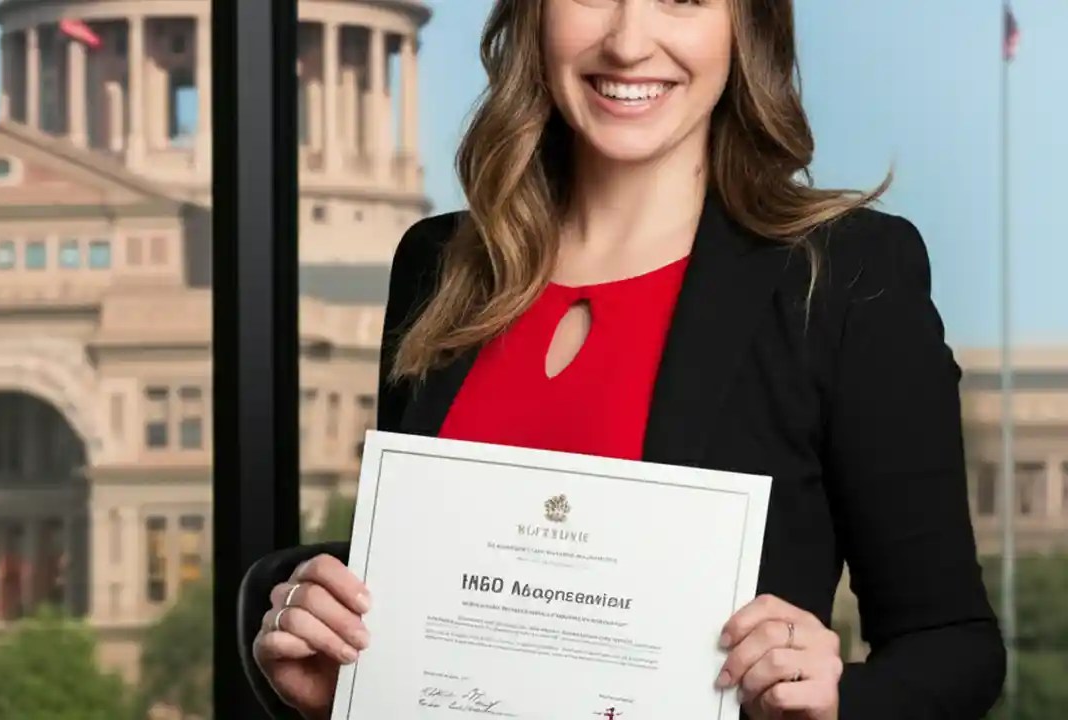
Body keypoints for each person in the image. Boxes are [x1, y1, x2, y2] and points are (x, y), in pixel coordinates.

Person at [251, 0, 1006, 718]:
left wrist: (836, 703)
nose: (627, 41)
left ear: (747, 24)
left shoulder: (843, 277)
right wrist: (336, 686)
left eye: (681, 0)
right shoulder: (438, 267)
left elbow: (954, 648)